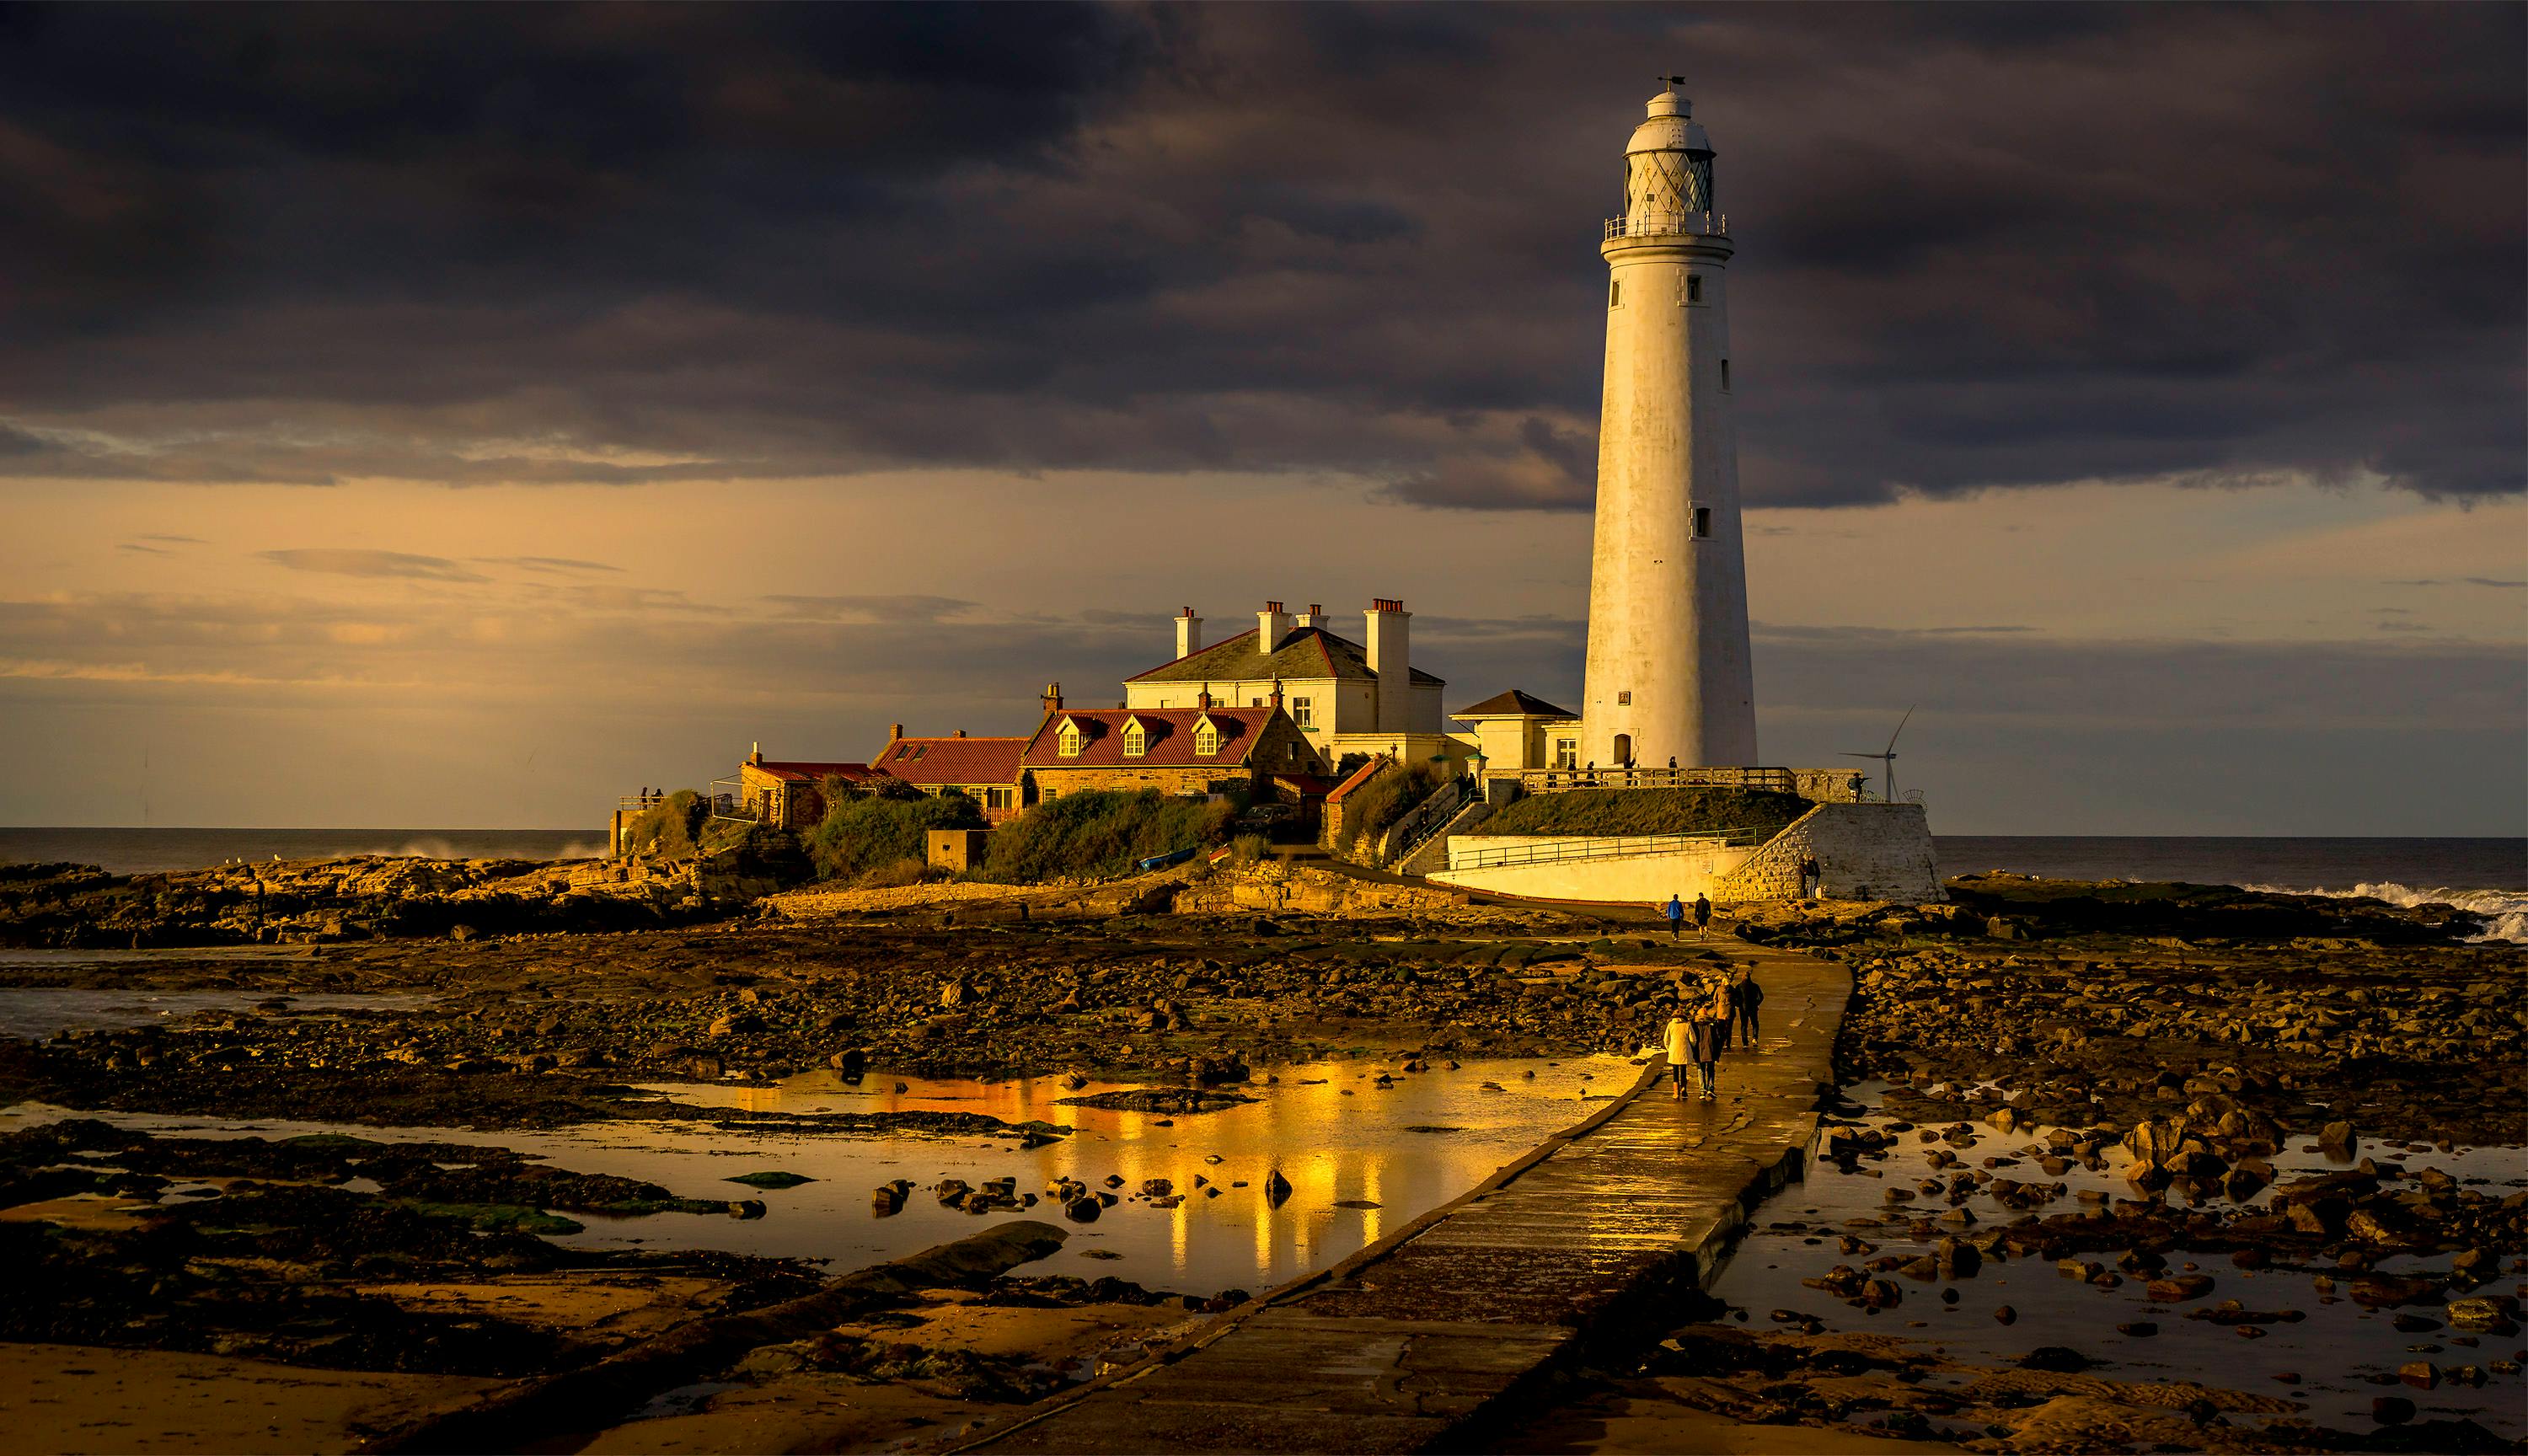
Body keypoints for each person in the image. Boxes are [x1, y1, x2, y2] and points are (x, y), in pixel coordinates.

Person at [1689, 998, 1723, 1100]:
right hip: (1711, 1050)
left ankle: (1702, 1091)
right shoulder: (1712, 1025)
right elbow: (1718, 1039)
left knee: (1701, 1071)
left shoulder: (1693, 1025)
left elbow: (1692, 1039)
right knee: (1711, 1070)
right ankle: (1710, 1088)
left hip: (1698, 1051)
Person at [1663, 1007, 1692, 1100]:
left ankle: (1675, 1092)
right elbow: (1693, 1039)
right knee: (1683, 1070)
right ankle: (1683, 1089)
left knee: (1675, 1071)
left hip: (1674, 1049)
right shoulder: (1687, 1025)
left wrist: (1669, 1048)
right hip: (1684, 1049)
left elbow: (1666, 1039)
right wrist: (1691, 1048)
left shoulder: (1670, 1025)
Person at [1732, 968, 1764, 1046]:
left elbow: (1734, 998)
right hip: (1753, 1008)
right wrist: (1756, 1003)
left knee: (1744, 1025)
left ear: (1742, 978)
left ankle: (1745, 1041)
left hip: (1743, 1008)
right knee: (1755, 1023)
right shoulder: (1755, 986)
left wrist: (1738, 1004)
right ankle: (1755, 1038)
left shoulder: (1739, 987)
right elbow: (1761, 997)